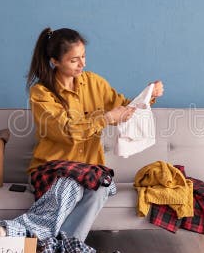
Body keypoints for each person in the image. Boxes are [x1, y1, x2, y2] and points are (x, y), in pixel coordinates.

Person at [27, 27, 163, 240]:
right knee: (73, 185)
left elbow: (126, 108)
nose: (82, 64)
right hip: (53, 169)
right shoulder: (41, 94)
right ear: (55, 61)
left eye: (83, 56)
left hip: (89, 170)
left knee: (101, 185)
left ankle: (65, 247)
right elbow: (67, 131)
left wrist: (149, 94)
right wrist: (106, 118)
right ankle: (65, 248)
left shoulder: (94, 83)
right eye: (74, 60)